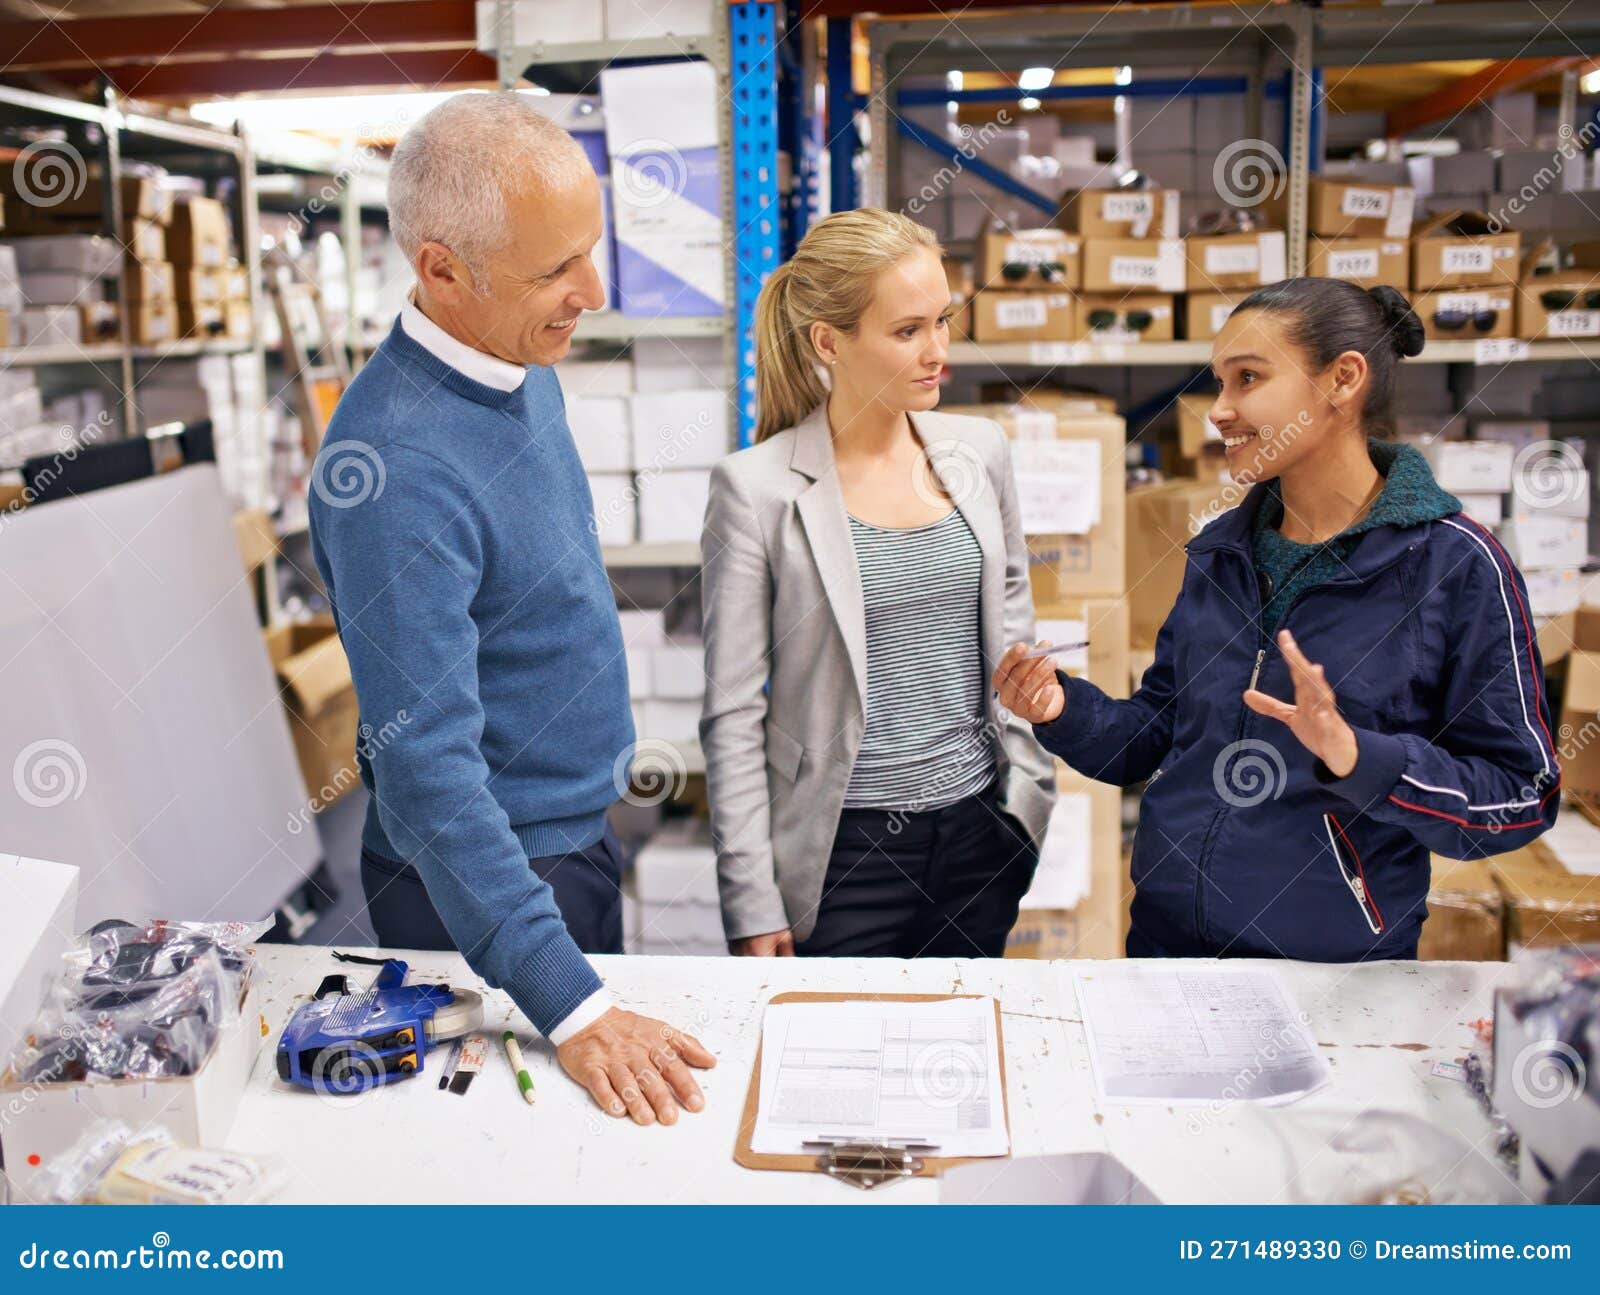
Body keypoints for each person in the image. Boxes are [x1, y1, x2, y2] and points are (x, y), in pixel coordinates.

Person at [308, 92, 713, 1125]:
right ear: (441, 268)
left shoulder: (513, 359)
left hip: (570, 834)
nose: (592, 288)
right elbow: (426, 767)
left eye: (589, 248)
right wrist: (571, 1004)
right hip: (475, 876)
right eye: (552, 271)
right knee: (519, 1164)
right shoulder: (395, 469)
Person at [994, 279, 1559, 961]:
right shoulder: (1223, 549)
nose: (1220, 411)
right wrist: (1060, 706)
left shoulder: (1457, 567)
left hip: (1334, 974)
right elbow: (1157, 735)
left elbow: (1520, 796)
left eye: (1248, 379)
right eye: (1219, 383)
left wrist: (1360, 756)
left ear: (1342, 380)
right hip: (1170, 947)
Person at [700, 208, 1056, 959]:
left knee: (957, 1052)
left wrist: (1025, 800)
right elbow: (732, 714)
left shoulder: (979, 453)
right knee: (837, 1063)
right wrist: (751, 898)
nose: (938, 352)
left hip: (978, 836)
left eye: (943, 321)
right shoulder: (756, 489)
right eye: (907, 331)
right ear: (830, 342)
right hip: (842, 856)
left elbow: (1015, 637)